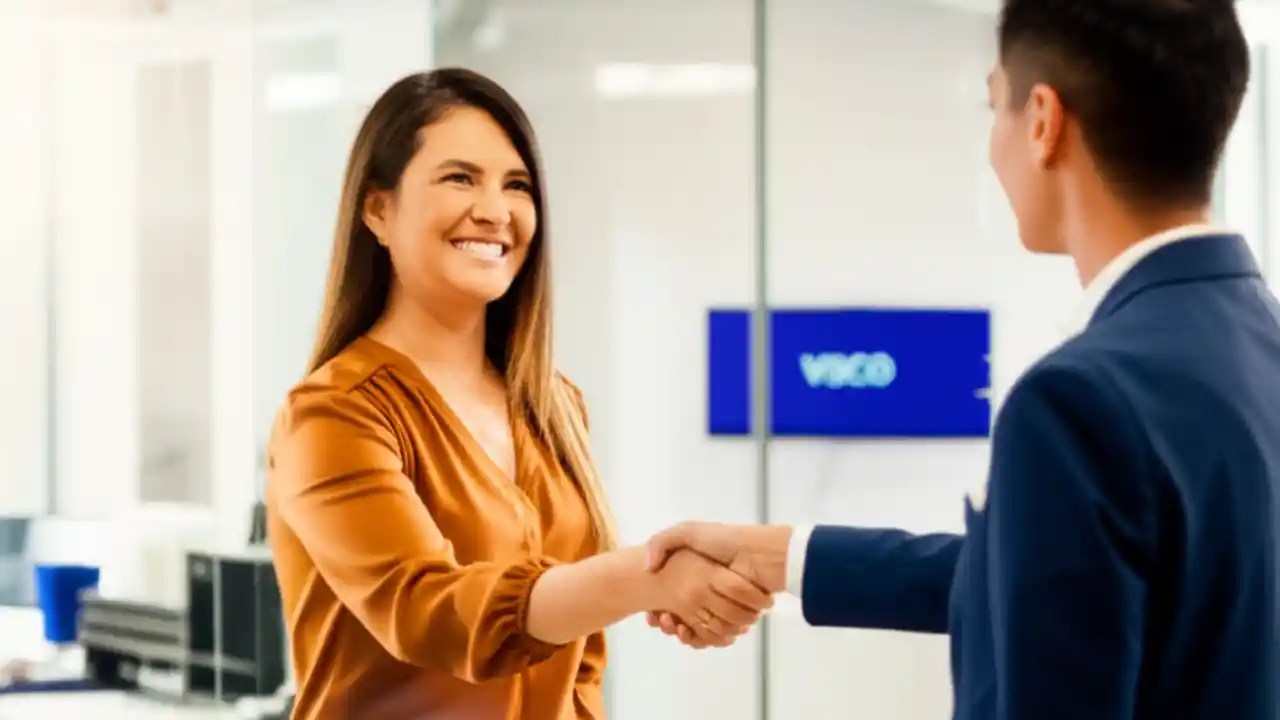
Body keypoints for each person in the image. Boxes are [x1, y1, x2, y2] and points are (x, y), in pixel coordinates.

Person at [648, 1, 1279, 718]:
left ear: (1043, 121)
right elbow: (1094, 585)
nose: (992, 145)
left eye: (995, 107)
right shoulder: (1259, 348)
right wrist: (790, 556)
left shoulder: (1078, 400)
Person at [266, 68, 771, 720]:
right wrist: (649, 580)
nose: (495, 210)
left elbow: (580, 667)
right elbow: (430, 615)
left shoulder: (554, 404)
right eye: (459, 178)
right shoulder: (332, 414)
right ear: (377, 211)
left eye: (517, 185)